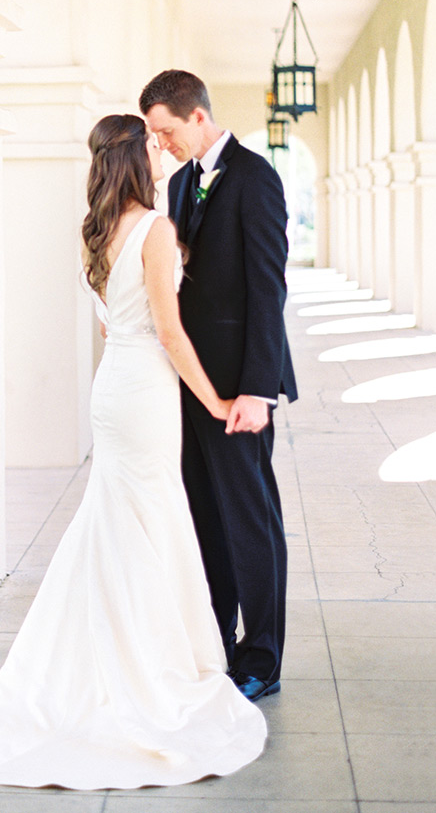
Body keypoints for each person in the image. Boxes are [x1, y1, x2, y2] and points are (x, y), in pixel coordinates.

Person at [0, 114, 266, 789]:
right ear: (138, 158)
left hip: (113, 388)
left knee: (118, 519)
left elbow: (114, 328)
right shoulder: (156, 230)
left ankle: (110, 651)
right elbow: (169, 332)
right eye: (154, 144)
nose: (163, 151)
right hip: (144, 391)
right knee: (148, 515)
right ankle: (144, 663)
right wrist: (216, 401)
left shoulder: (96, 233)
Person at [139, 69, 298, 703]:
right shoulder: (179, 184)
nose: (162, 142)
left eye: (166, 131)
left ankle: (263, 656)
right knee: (207, 520)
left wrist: (259, 389)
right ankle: (220, 646)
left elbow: (269, 288)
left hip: (240, 390)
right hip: (194, 385)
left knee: (250, 521)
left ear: (197, 117)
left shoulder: (256, 178)